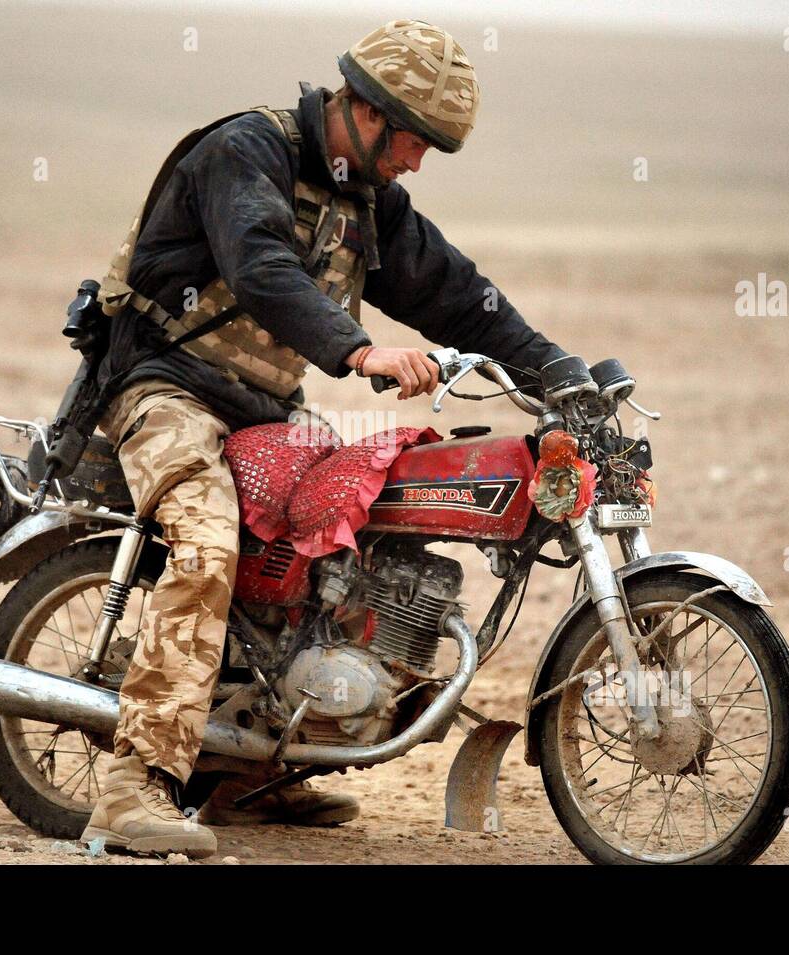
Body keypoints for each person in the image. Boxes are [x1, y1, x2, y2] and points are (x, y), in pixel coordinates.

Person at [79, 19, 568, 859]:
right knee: (205, 546)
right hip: (162, 387)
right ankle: (129, 791)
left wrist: (560, 370)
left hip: (261, 405)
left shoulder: (366, 198)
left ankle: (241, 770)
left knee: (341, 539)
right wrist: (359, 349)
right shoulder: (247, 152)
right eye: (415, 141)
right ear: (369, 114)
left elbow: (453, 293)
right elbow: (261, 265)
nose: (418, 162)